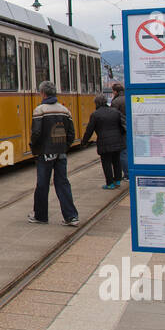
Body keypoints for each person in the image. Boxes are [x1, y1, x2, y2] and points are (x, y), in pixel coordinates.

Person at [29, 80, 79, 225]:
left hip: (45, 152)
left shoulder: (40, 110)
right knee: (63, 183)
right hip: (61, 152)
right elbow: (71, 133)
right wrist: (65, 146)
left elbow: (36, 132)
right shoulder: (65, 110)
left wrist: (35, 147)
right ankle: (71, 216)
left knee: (42, 185)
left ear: (43, 93)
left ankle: (41, 216)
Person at [81, 93, 127, 190]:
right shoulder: (115, 112)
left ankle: (110, 183)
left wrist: (84, 142)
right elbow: (123, 124)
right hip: (117, 141)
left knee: (106, 163)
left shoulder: (95, 115)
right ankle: (118, 180)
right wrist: (121, 136)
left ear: (96, 103)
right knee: (116, 161)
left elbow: (89, 130)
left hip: (104, 143)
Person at [110, 82, 127, 182]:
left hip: (121, 129)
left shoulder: (116, 102)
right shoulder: (128, 97)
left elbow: (113, 116)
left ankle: (127, 174)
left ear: (115, 91)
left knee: (123, 153)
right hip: (130, 127)